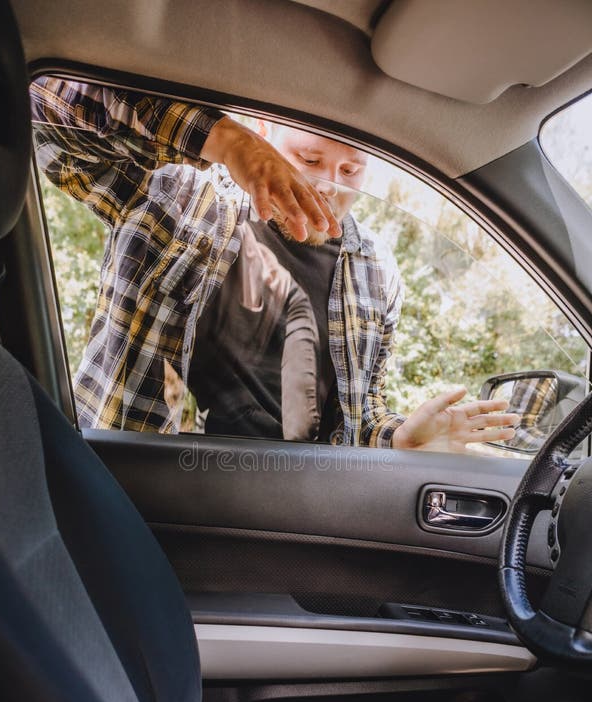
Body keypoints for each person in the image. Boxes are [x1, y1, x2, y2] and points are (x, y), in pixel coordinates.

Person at [31, 77, 518, 450]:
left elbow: (357, 415)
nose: (329, 185)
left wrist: (398, 440)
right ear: (264, 132)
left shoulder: (378, 272)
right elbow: (44, 104)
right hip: (136, 485)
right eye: (309, 159)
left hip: (281, 508)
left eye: (351, 170)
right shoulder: (172, 196)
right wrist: (226, 142)